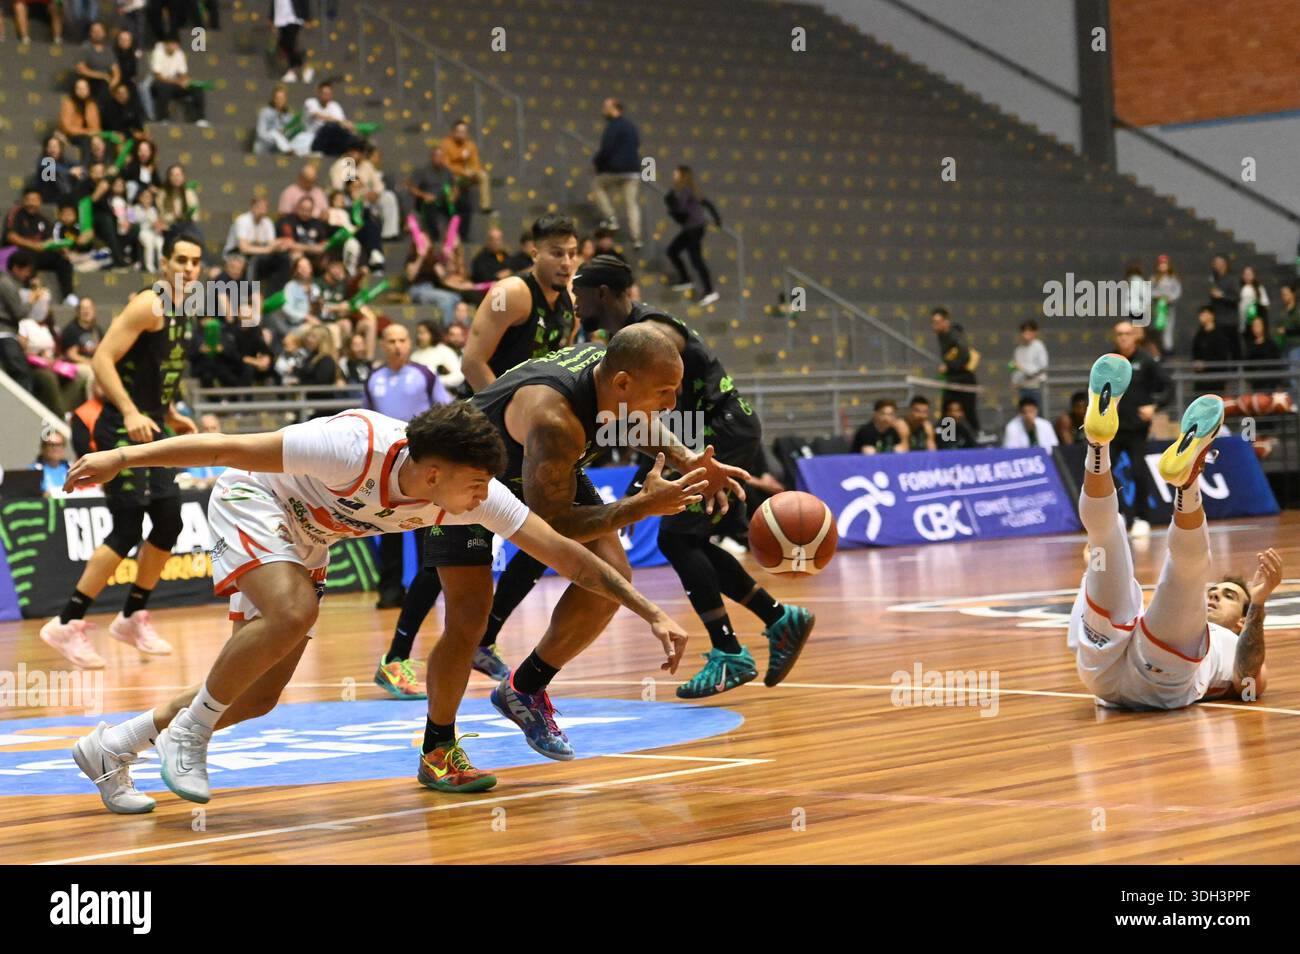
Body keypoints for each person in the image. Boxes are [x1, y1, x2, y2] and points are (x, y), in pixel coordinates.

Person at [64, 401, 692, 807]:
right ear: (431, 471)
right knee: (292, 614)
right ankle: (190, 735)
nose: (480, 498)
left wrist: (652, 611)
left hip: (308, 535)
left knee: (255, 694)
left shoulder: (472, 494)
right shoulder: (351, 446)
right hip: (254, 499)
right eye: (472, 483)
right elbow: (225, 447)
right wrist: (121, 457)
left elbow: (564, 552)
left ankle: (112, 746)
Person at [575, 256, 814, 696]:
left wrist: (651, 471)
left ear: (602, 294)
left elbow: (668, 410)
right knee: (691, 542)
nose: (574, 302)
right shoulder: (628, 335)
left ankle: (730, 654)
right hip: (707, 433)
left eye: (580, 292)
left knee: (677, 539)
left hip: (714, 432)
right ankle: (780, 618)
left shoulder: (654, 334)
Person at [1067, 353, 1276, 710]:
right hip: (1108, 654)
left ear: (1240, 621)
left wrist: (1257, 604)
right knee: (1107, 535)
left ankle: (1180, 479)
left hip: (1155, 676)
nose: (1215, 596)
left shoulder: (1229, 640)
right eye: (1219, 591)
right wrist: (1095, 564)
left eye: (1227, 597)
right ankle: (1100, 444)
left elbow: (1249, 682)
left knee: (1187, 572)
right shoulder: (1184, 622)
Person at [39, 230, 202, 670]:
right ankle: (66, 623)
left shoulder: (187, 311)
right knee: (127, 527)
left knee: (169, 520)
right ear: (164, 264)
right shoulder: (148, 304)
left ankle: (131, 616)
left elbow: (156, 372)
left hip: (154, 426)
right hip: (121, 427)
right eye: (181, 261)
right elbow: (103, 359)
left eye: (195, 262)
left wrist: (169, 412)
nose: (188, 269)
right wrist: (130, 410)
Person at [365, 324, 451, 612]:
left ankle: (425, 591)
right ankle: (390, 592)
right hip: (384, 466)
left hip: (422, 463)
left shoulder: (424, 375)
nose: (397, 346)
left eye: (402, 340)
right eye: (391, 341)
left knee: (424, 527)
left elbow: (446, 411)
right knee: (387, 527)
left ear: (410, 344)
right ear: (382, 345)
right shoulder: (373, 378)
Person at [459, 214, 578, 393]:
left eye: (572, 254)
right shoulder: (508, 292)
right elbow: (471, 364)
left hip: (533, 407)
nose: (567, 263)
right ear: (535, 255)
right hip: (482, 409)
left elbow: (563, 365)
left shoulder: (572, 303)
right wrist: (508, 415)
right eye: (557, 254)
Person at [1109, 321, 1167, 537]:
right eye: (1119, 334)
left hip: (1136, 430)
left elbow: (1167, 386)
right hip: (1113, 429)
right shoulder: (1111, 360)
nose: (1123, 337)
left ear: (1135, 336)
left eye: (1127, 334)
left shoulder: (1146, 360)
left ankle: (1143, 518)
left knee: (1138, 472)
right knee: (1105, 472)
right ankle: (1120, 514)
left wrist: (1155, 406)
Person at [664, 165, 721, 306]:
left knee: (696, 259)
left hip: (694, 229)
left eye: (676, 173)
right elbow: (705, 203)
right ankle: (685, 279)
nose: (674, 176)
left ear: (682, 175)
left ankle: (710, 291)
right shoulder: (689, 189)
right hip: (693, 228)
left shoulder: (685, 190)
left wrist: (671, 206)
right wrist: (716, 218)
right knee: (673, 251)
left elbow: (682, 213)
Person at [591, 98, 642, 248]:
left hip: (616, 170)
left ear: (615, 108)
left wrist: (597, 164)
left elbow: (606, 149)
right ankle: (637, 238)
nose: (603, 110)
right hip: (633, 171)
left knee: (597, 185)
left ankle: (611, 218)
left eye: (605, 107)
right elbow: (637, 144)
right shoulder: (631, 126)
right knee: (632, 204)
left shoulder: (612, 126)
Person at [0, 251, 45, 393]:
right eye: (26, 271)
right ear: (16, 268)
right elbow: (19, 313)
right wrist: (32, 300)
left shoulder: (10, 283)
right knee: (22, 375)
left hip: (9, 332)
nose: (27, 275)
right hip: (4, 333)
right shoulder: (6, 284)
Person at [440, 118, 492, 239]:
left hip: (469, 174)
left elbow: (476, 163)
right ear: (453, 132)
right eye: (460, 132)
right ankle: (450, 209)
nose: (463, 134)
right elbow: (446, 165)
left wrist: (472, 171)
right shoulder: (446, 143)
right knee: (455, 181)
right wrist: (462, 168)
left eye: (465, 132)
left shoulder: (470, 144)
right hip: (454, 174)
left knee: (483, 175)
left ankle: (485, 206)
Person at [932, 306, 980, 431]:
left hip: (964, 379)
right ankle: (949, 441)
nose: (934, 325)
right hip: (953, 379)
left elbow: (965, 356)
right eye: (933, 322)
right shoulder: (942, 336)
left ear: (946, 321)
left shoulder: (954, 335)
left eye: (937, 322)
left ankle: (976, 439)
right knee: (948, 410)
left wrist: (947, 366)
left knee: (968, 411)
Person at [147, 34, 208, 126]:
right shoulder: (158, 53)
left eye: (176, 44)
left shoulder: (179, 53)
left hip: (174, 84)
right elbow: (158, 76)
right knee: (163, 88)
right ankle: (164, 118)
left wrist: (185, 81)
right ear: (166, 44)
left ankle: (200, 119)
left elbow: (183, 73)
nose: (174, 47)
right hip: (159, 83)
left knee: (196, 88)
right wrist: (177, 82)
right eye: (172, 44)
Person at [1190, 305, 1239, 395]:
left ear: (1211, 315)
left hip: (1216, 379)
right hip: (1201, 380)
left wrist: (1207, 364)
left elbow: (1222, 356)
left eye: (1204, 314)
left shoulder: (1220, 335)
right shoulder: (1199, 335)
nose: (1201, 317)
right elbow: (1195, 352)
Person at [410, 319, 465, 392]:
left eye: (423, 333)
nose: (419, 336)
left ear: (432, 333)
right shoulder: (414, 355)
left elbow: (459, 376)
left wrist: (435, 381)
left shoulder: (444, 351)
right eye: (418, 333)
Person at [75, 20, 119, 104]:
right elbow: (82, 70)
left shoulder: (109, 51)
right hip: (90, 80)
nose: (97, 33)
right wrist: (102, 76)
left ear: (104, 33)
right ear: (90, 33)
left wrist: (112, 84)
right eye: (94, 31)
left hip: (106, 83)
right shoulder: (85, 48)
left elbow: (116, 72)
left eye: (99, 31)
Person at [272, 0, 313, 83]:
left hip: (294, 17)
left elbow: (305, 2)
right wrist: (271, 18)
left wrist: (307, 18)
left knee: (290, 42)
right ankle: (301, 69)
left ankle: (295, 71)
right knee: (283, 43)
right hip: (280, 17)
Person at [1009, 319, 1048, 407]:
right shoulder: (1018, 350)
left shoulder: (1039, 346)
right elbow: (1014, 367)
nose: (1025, 334)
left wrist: (1022, 368)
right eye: (1023, 331)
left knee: (1038, 414)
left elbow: (1042, 367)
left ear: (1035, 333)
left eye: (1029, 331)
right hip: (1022, 387)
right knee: (1024, 414)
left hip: (1036, 388)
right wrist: (1014, 382)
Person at [1150, 254, 1182, 354]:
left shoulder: (1173, 278)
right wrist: (1157, 296)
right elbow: (1150, 290)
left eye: (1165, 264)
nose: (1163, 266)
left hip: (1169, 306)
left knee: (1169, 327)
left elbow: (1177, 291)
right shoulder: (1154, 278)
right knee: (1158, 326)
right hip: (1158, 306)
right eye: (1161, 264)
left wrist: (1171, 298)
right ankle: (1157, 348)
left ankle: (1168, 348)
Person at [1243, 314, 1281, 392]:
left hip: (1270, 383)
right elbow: (1246, 365)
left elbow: (1277, 364)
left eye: (1258, 325)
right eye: (1254, 326)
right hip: (1255, 384)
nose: (1255, 328)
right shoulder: (1249, 345)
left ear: (1264, 326)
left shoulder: (1271, 344)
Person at [254, 85, 295, 155]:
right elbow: (260, 133)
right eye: (277, 98)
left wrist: (284, 133)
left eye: (282, 98)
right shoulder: (265, 112)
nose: (280, 101)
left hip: (279, 146)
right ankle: (288, 150)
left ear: (285, 99)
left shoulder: (289, 116)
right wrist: (276, 136)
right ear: (273, 99)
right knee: (274, 133)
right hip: (264, 145)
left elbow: (291, 133)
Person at [1207, 254, 1239, 332]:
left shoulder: (1232, 279)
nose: (1216, 266)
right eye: (1215, 263)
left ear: (1224, 264)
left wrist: (1222, 295)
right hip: (1216, 320)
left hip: (1229, 322)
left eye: (1218, 263)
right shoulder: (1213, 279)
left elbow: (1236, 297)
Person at [33, 431, 71, 496]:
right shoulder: (34, 470)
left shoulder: (70, 468)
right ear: (43, 447)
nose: (55, 448)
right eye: (51, 445)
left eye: (59, 445)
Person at [1238, 264, 1269, 331]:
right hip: (1242, 321)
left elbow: (1265, 304)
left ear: (1254, 275)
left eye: (1249, 274)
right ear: (1243, 276)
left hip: (1255, 321)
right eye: (1245, 274)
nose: (1247, 277)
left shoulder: (1259, 288)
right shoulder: (1239, 288)